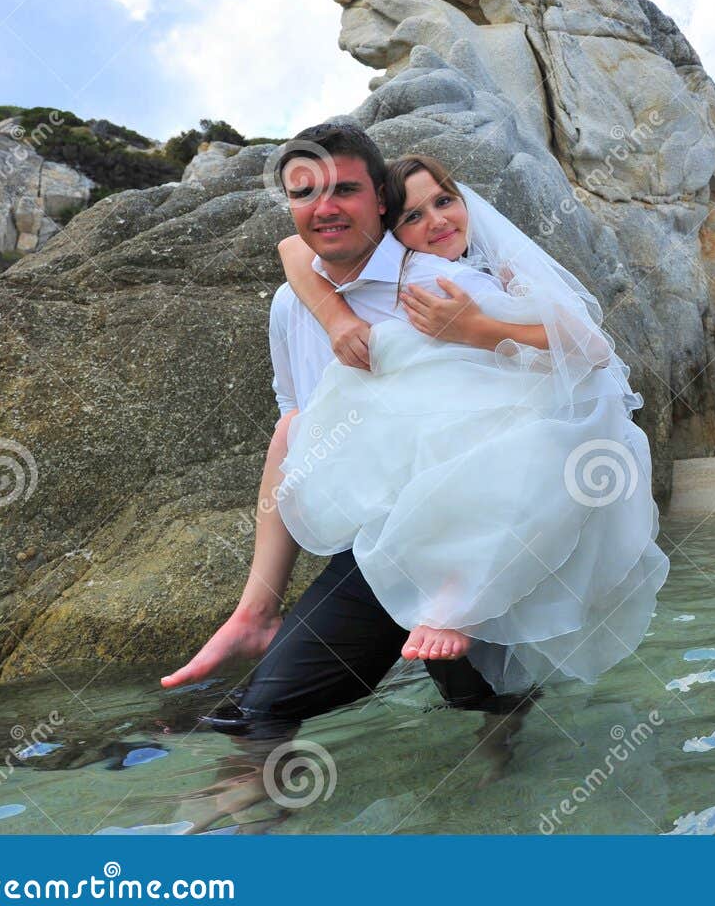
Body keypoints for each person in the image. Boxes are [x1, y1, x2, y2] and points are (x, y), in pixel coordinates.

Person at [157, 124, 529, 735]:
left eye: (344, 190)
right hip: (360, 548)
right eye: (304, 194)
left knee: (490, 698)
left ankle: (501, 799)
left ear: (380, 199)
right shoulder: (289, 302)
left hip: (454, 541)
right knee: (257, 714)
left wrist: (470, 576)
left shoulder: (442, 284)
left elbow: (530, 410)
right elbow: (293, 414)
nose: (324, 208)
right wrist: (264, 592)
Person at [269, 152, 667, 696]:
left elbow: (593, 349)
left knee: (536, 437)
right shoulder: (422, 281)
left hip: (562, 420)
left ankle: (463, 592)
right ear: (391, 230)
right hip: (468, 442)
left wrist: (475, 327)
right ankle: (494, 714)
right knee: (481, 688)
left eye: (445, 201)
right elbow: (293, 248)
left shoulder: (501, 275)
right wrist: (335, 316)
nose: (436, 221)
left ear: (465, 202)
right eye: (413, 217)